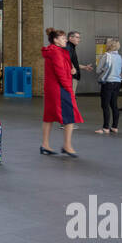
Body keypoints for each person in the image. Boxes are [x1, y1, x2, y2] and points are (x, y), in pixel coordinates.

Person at [40, 28, 82, 157]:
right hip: (60, 89)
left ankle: (45, 144)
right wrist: (69, 88)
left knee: (49, 116)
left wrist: (71, 70)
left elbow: (62, 68)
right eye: (63, 38)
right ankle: (67, 145)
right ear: (56, 40)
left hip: (51, 88)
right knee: (70, 115)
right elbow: (60, 73)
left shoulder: (53, 51)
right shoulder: (57, 52)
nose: (65, 40)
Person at [94, 38, 122, 134]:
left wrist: (103, 69)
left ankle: (105, 128)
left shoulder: (106, 56)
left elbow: (98, 70)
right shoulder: (119, 57)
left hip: (108, 83)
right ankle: (114, 127)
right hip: (117, 83)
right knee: (114, 105)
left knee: (105, 105)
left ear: (109, 46)